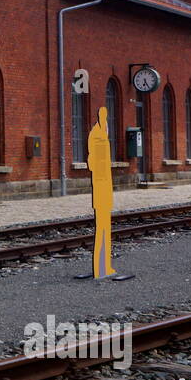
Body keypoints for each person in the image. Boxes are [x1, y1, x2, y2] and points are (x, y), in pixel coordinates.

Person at [87, 105, 115, 278]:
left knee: (105, 230)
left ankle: (105, 266)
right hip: (101, 190)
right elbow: (94, 163)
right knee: (102, 230)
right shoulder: (97, 137)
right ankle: (100, 268)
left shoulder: (100, 136)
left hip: (104, 190)